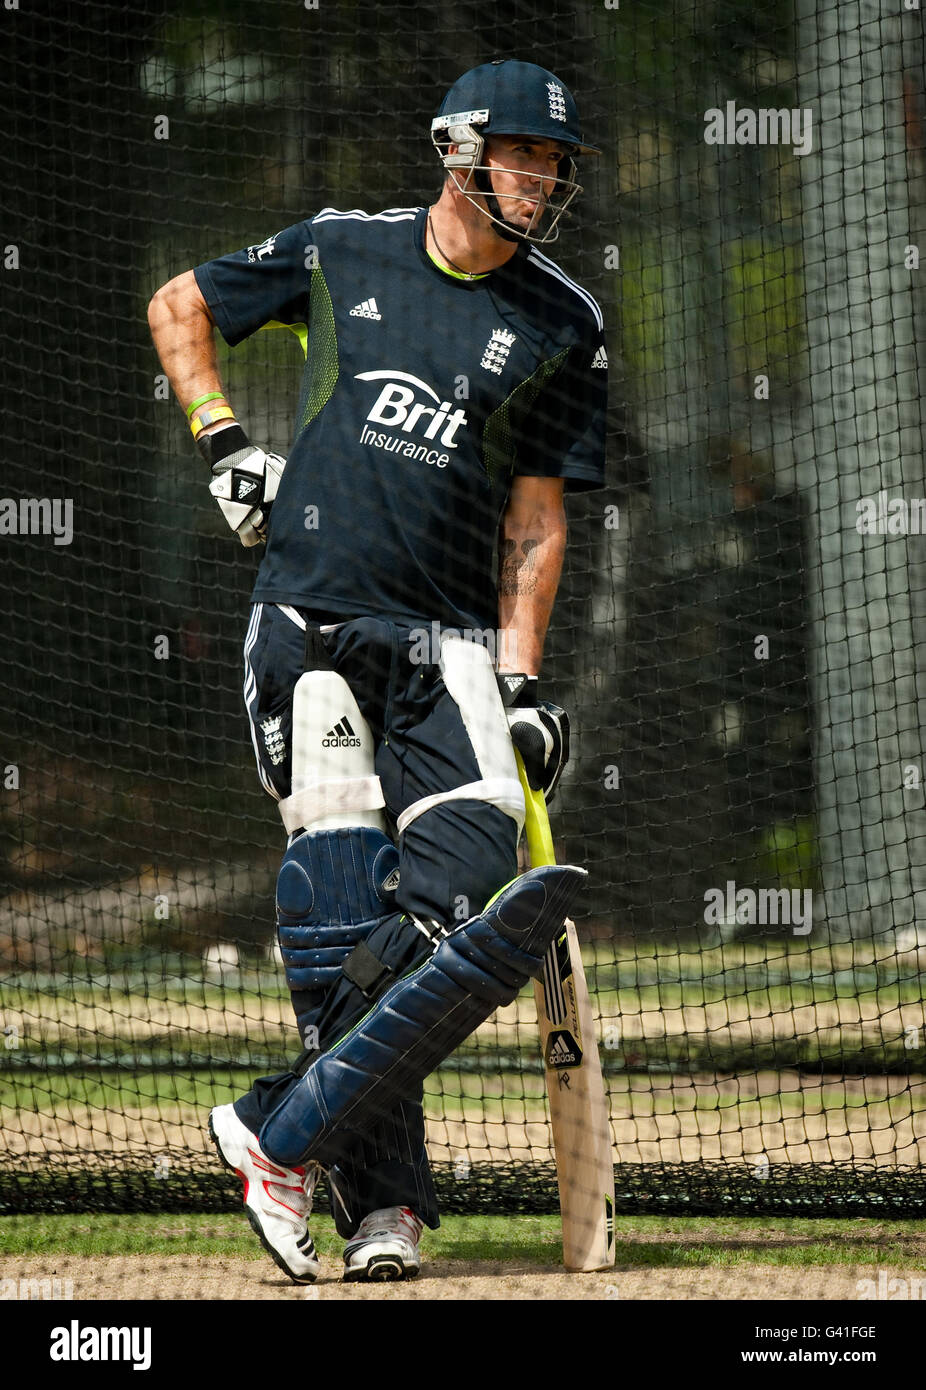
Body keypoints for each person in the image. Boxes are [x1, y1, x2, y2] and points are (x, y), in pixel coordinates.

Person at [147, 58, 606, 1284]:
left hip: (448, 641)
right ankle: (383, 1208)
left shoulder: (564, 323)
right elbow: (178, 304)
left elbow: (538, 523)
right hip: (304, 618)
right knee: (336, 908)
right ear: (460, 150)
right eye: (525, 155)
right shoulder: (342, 248)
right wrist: (222, 444)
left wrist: (516, 682)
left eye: (555, 164)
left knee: (476, 875)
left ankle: (275, 1129)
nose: (544, 179)